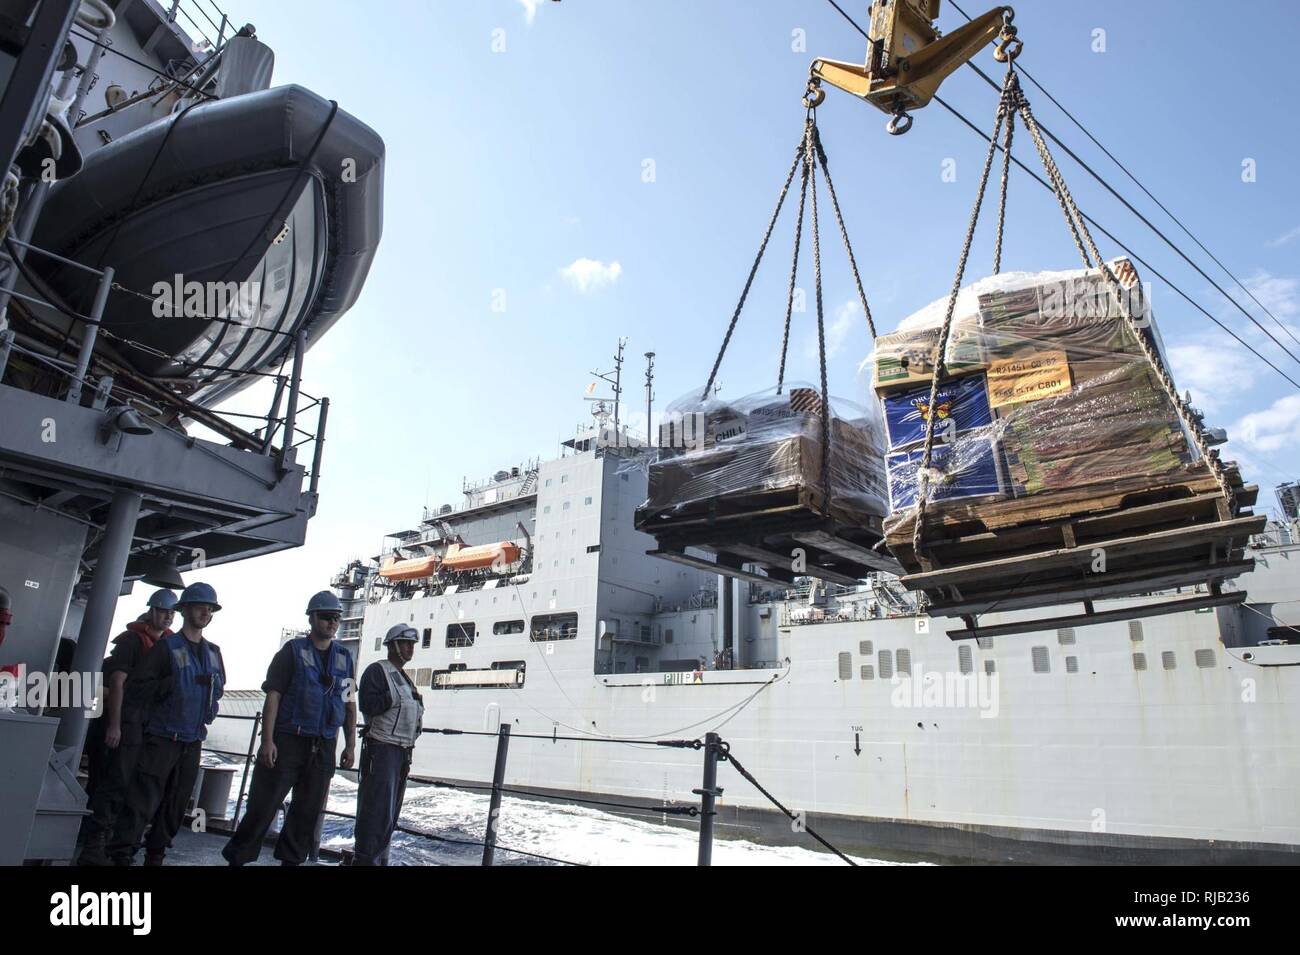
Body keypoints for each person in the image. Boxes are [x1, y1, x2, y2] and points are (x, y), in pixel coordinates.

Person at [222, 591, 356, 866]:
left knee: (306, 813)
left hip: (323, 746)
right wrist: (267, 741)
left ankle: (291, 862)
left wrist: (351, 744)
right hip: (287, 743)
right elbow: (274, 696)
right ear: (312, 618)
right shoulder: (291, 653)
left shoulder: (344, 658)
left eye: (336, 618)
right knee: (263, 807)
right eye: (327, 617)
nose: (332, 623)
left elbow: (350, 703)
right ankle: (238, 859)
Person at [107, 583, 225, 866]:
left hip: (192, 739)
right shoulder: (166, 648)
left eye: (210, 608)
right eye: (200, 606)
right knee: (142, 800)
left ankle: (156, 853)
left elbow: (217, 689)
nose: (205, 612)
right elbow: (136, 688)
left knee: (176, 802)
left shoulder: (213, 652)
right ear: (184, 609)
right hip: (161, 738)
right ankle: (122, 854)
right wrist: (166, 686)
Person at [77, 589, 177, 866]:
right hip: (123, 722)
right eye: (164, 611)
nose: (168, 617)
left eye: (172, 613)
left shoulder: (168, 645)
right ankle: (93, 844)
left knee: (133, 786)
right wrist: (115, 725)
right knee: (111, 783)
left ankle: (114, 844)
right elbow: (119, 683)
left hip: (146, 725)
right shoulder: (132, 642)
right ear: (152, 611)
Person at [352, 624, 425, 865]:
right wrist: (391, 699)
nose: (410, 648)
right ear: (393, 646)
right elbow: (368, 705)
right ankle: (364, 860)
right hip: (381, 750)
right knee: (375, 812)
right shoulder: (378, 671)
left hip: (401, 753)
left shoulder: (404, 678)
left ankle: (376, 859)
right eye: (405, 643)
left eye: (412, 644)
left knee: (389, 815)